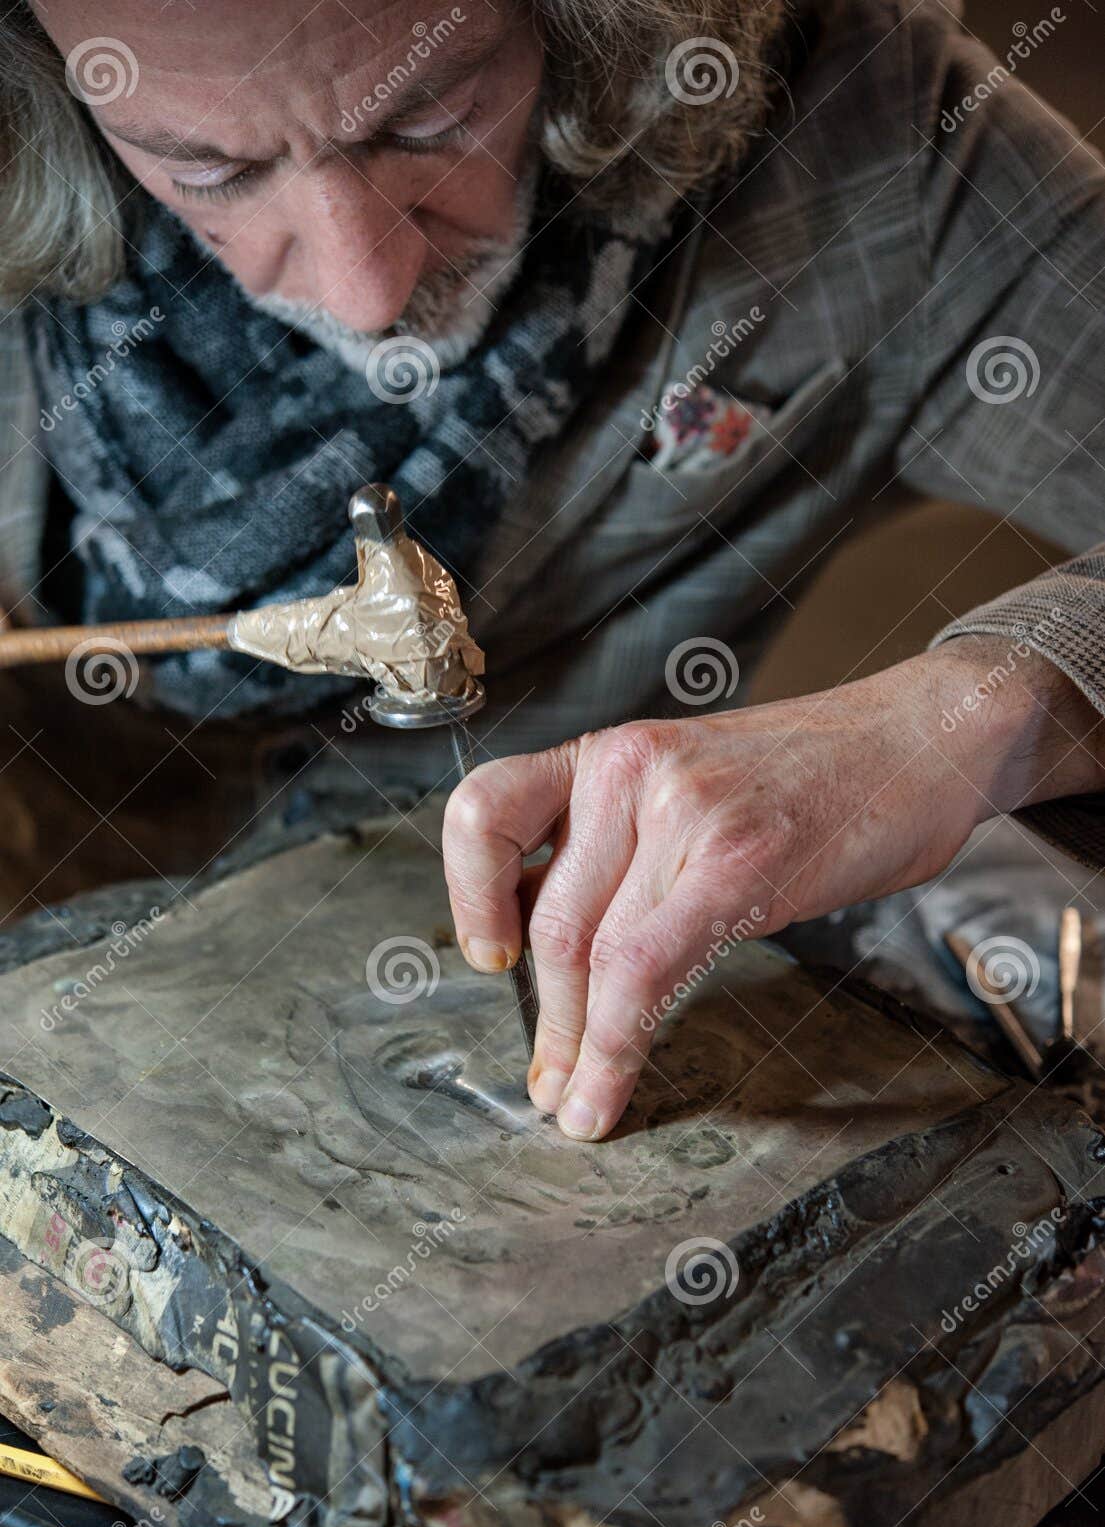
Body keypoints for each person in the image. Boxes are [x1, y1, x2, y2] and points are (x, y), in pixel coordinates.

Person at [2, 0, 1104, 1141]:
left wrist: (975, 714)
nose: (362, 286)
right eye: (211, 171)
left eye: (429, 118)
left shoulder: (869, 155)